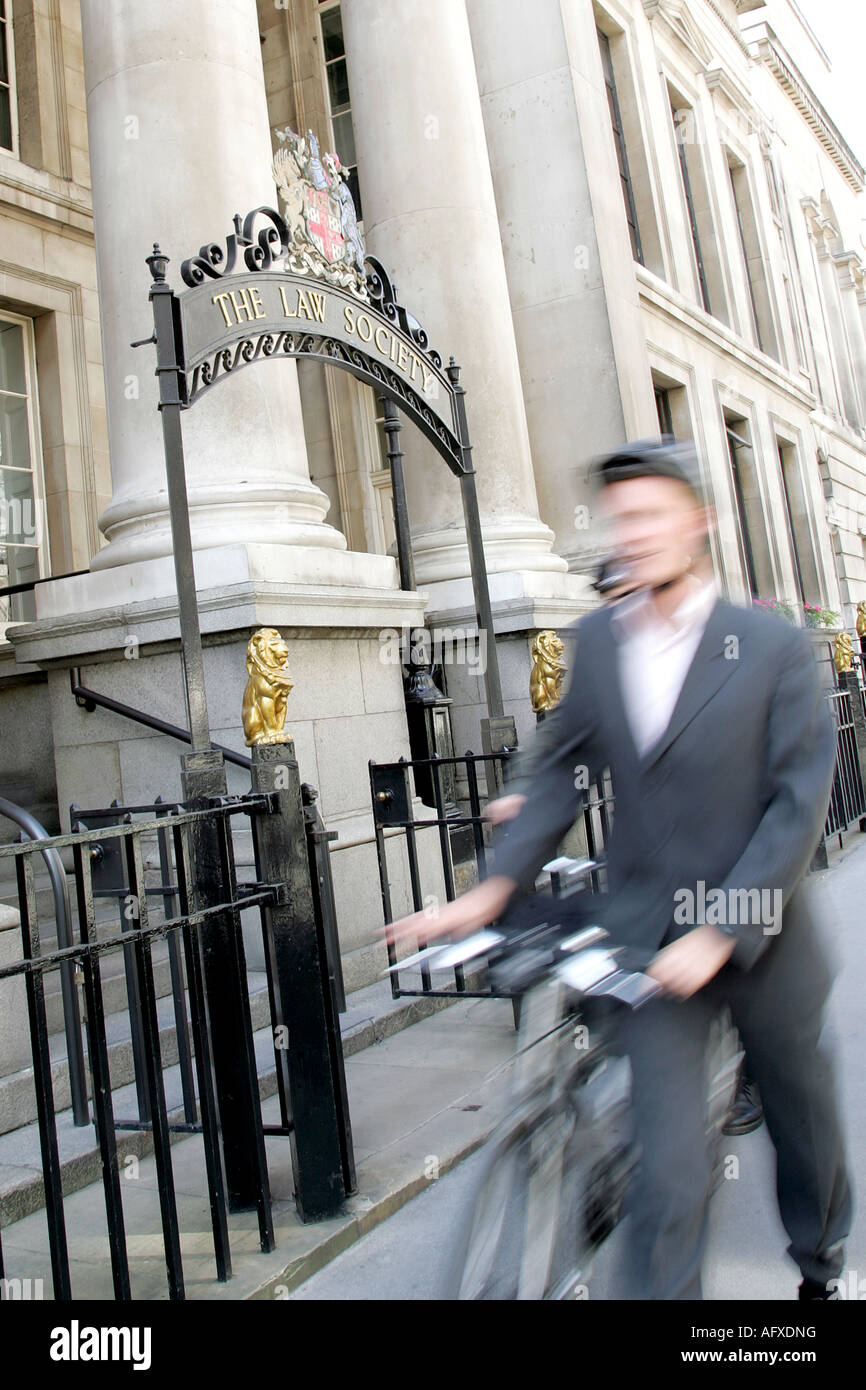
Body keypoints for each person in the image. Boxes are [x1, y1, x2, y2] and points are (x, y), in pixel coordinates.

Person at [384, 438, 852, 1300]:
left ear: (696, 524)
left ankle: (821, 1270)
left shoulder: (772, 647)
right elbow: (560, 769)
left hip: (762, 942)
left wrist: (721, 931)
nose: (630, 533)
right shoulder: (596, 642)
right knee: (667, 1179)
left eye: (650, 516)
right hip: (650, 945)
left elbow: (796, 806)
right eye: (619, 518)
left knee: (804, 1129)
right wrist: (485, 895)